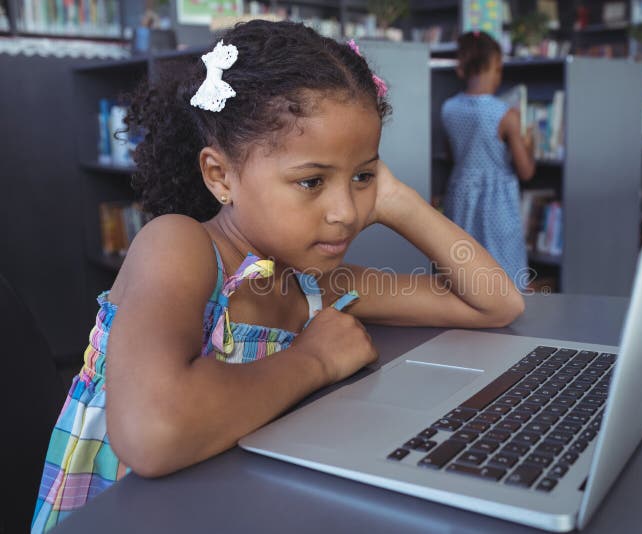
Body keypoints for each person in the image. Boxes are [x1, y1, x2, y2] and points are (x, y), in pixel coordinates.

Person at [32, 20, 524, 533]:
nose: (346, 212)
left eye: (362, 177)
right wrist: (314, 359)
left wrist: (400, 201)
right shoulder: (179, 247)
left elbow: (496, 301)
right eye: (312, 181)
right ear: (221, 176)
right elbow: (154, 433)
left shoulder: (317, 284)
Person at [441, 31, 536, 290]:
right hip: (497, 202)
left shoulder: (448, 108)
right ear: (494, 67)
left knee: (463, 265)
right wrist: (531, 143)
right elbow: (526, 171)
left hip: (460, 193)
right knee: (503, 270)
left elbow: (451, 156)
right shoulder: (506, 115)